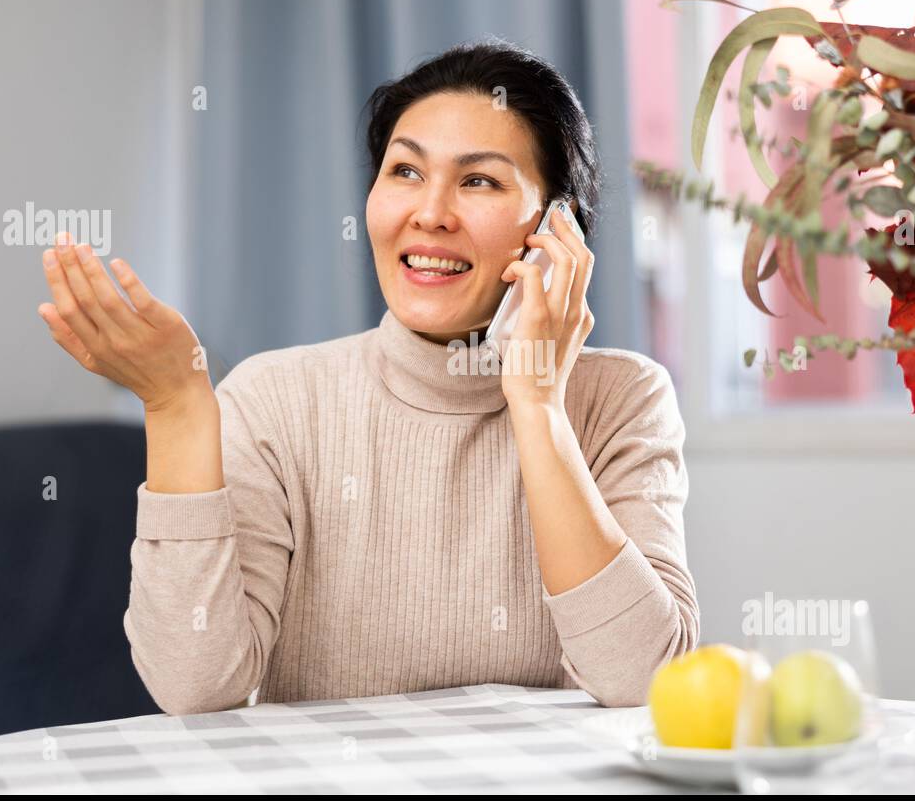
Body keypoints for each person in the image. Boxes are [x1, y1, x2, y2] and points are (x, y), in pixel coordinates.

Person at [37, 37, 698, 714]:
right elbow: (194, 687)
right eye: (405, 172)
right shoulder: (276, 402)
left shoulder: (620, 400)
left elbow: (642, 680)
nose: (430, 212)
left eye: (479, 181)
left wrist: (538, 406)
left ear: (558, 231)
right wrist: (175, 408)